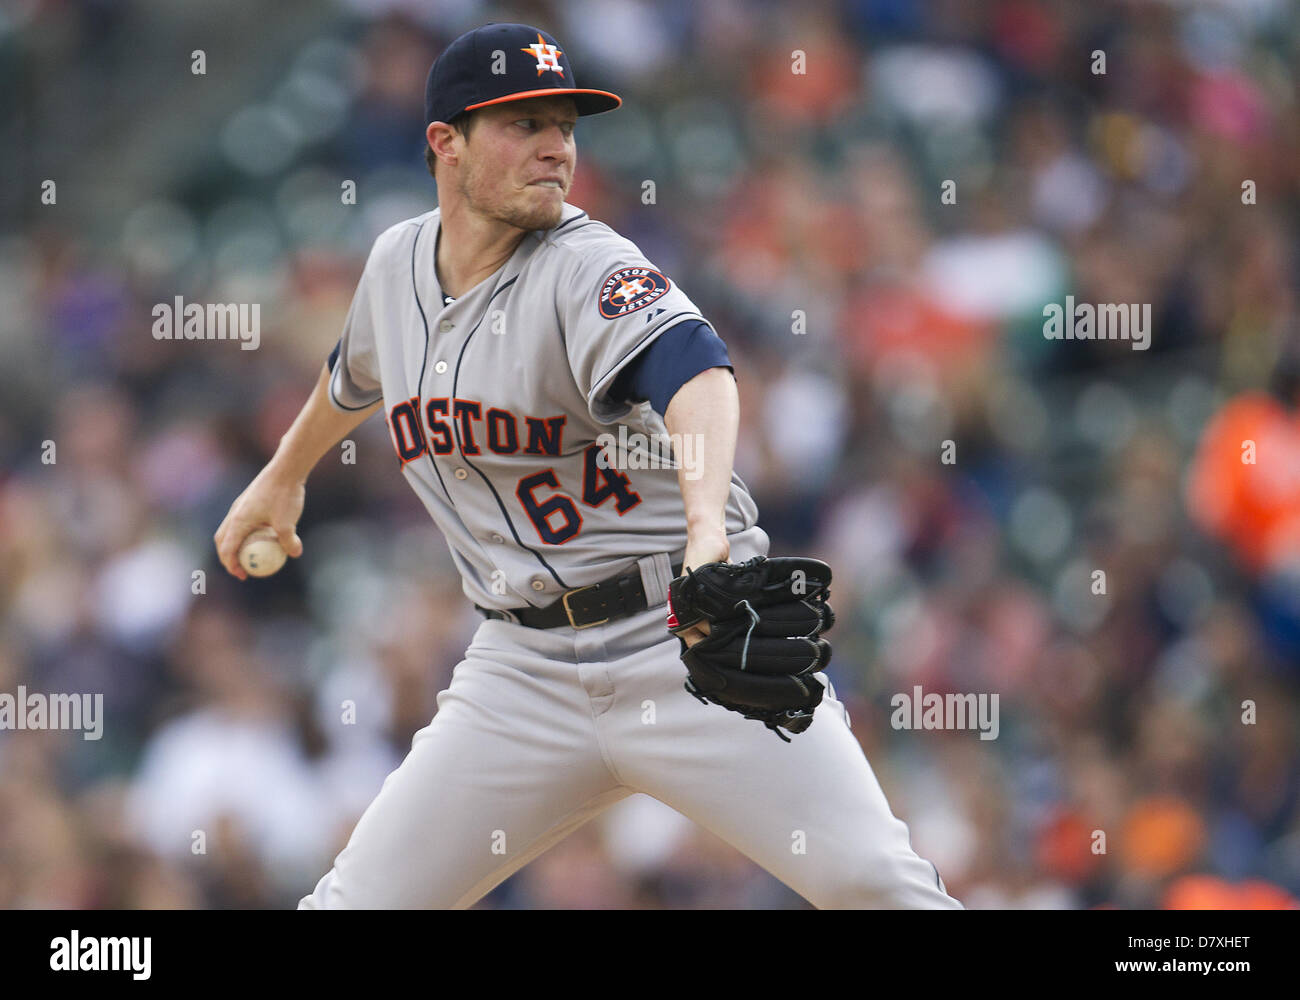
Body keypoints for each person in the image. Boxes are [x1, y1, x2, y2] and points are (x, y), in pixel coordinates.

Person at [214, 22, 961, 910]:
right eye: (522, 124)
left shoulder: (587, 265)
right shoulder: (394, 265)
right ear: (444, 144)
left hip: (679, 643)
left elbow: (698, 372)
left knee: (875, 884)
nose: (555, 147)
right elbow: (354, 377)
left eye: (564, 124)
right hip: (520, 673)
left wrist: (708, 536)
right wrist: (283, 474)